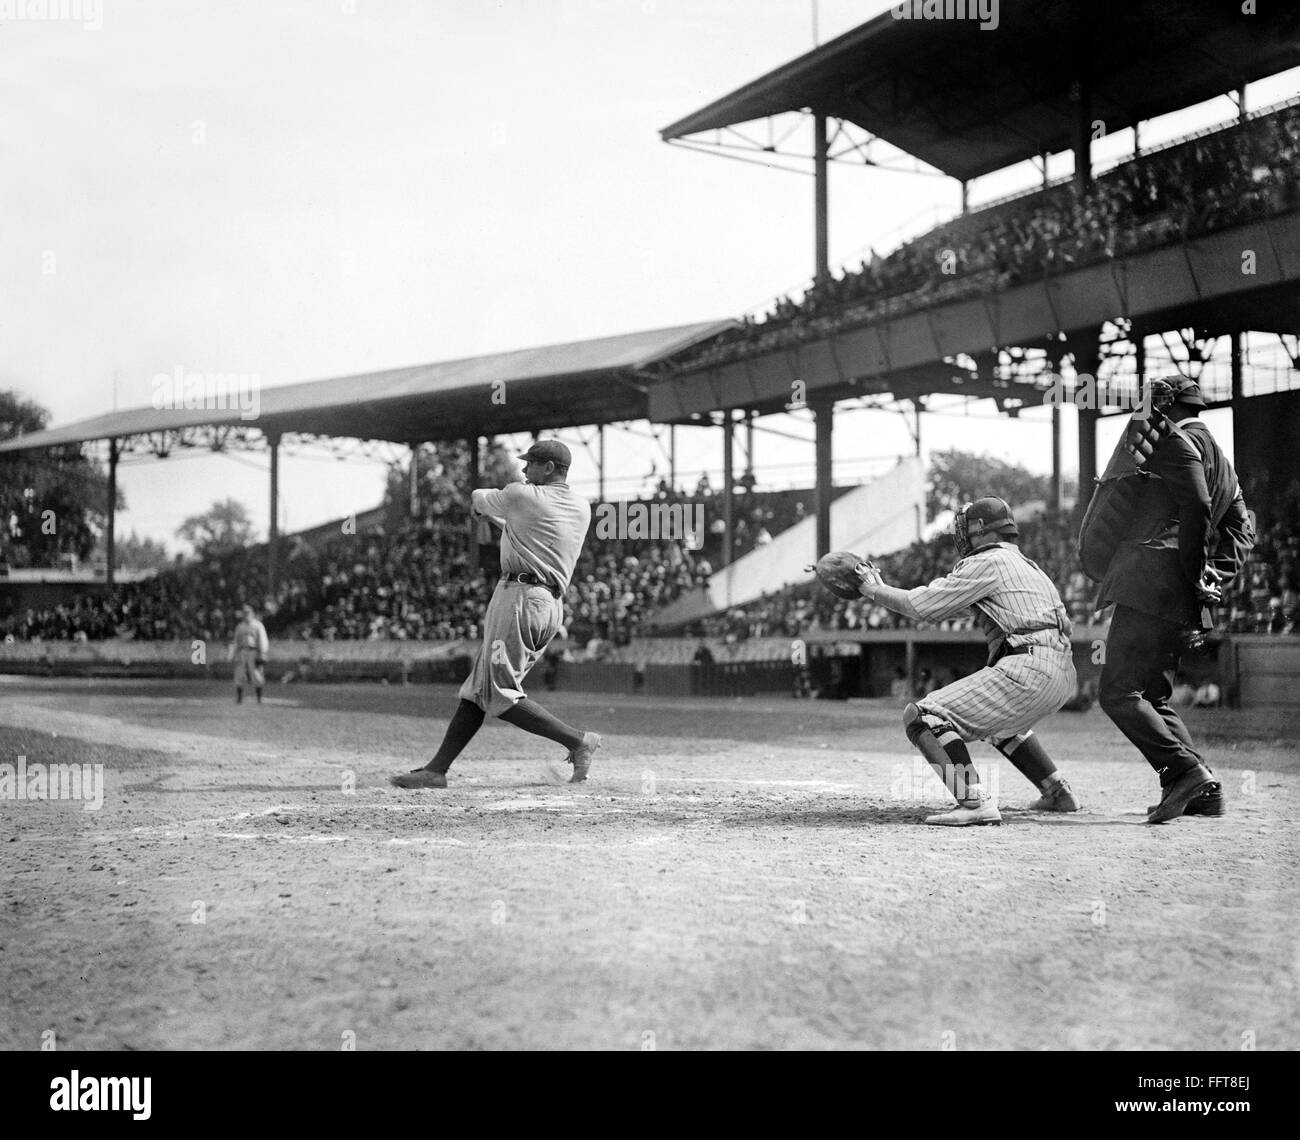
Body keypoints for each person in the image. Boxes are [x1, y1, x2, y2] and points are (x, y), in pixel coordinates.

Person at [856, 497, 1080, 826]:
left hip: (1029, 666)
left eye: (965, 528)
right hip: (1062, 672)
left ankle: (974, 802)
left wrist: (873, 589)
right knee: (1002, 725)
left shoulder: (987, 560)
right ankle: (1058, 791)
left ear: (979, 529)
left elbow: (922, 607)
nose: (960, 535)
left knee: (923, 716)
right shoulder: (1030, 567)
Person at [391, 440, 600, 788]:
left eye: (530, 463)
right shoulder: (580, 505)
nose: (523, 470)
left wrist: (483, 510)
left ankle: (578, 740)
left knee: (500, 693)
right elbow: (528, 534)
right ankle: (437, 769)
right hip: (548, 605)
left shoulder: (522, 494)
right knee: (479, 688)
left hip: (518, 598)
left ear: (548, 468)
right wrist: (496, 519)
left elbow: (477, 495)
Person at [1094, 377, 1254, 822]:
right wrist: (1210, 575)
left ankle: (1183, 771)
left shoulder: (1174, 442)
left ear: (1166, 406)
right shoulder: (1225, 464)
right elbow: (1242, 531)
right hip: (1179, 598)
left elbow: (1198, 505)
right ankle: (1201, 788)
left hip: (1150, 585)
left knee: (1118, 691)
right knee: (1155, 695)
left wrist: (1191, 570)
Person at [228, 604, 269, 705]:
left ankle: (259, 699)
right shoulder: (240, 626)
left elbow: (262, 640)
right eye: (244, 613)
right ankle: (239, 698)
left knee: (256, 674)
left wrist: (262, 653)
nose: (246, 615)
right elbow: (236, 641)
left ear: (252, 613)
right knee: (239, 673)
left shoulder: (258, 625)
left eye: (248, 612)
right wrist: (233, 654)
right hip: (242, 651)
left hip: (254, 651)